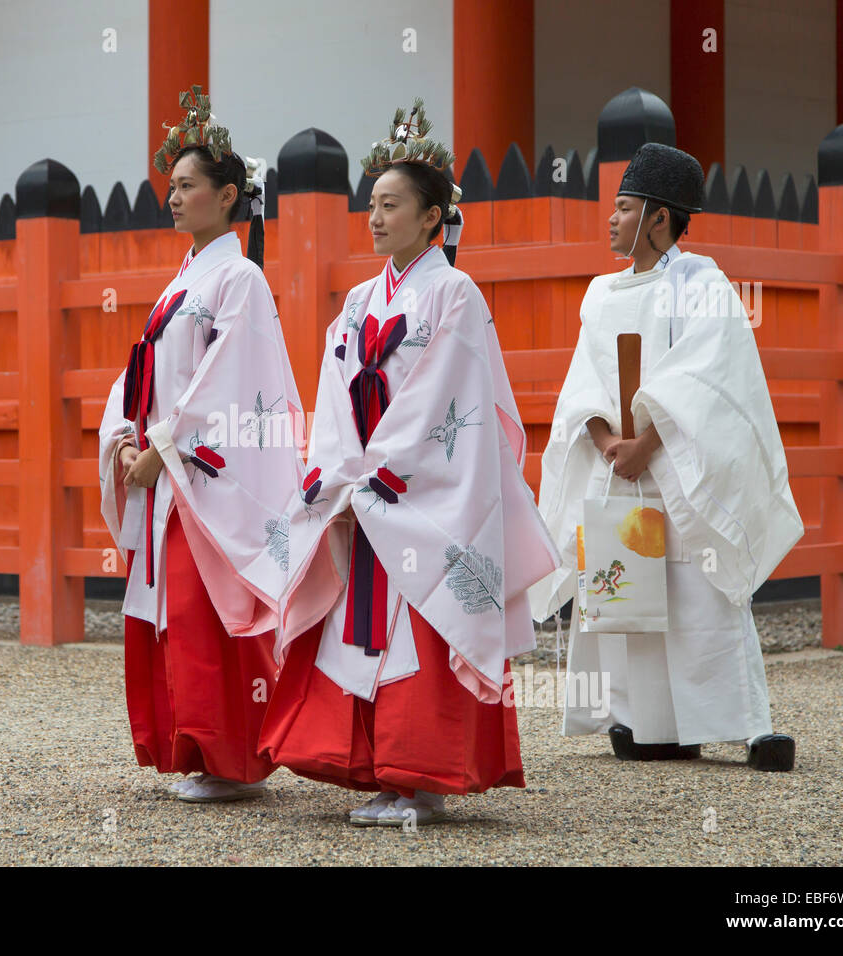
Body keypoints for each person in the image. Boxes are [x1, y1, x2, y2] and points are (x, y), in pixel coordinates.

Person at [257, 99, 559, 826]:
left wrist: (381, 474)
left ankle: (418, 773)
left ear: (432, 218)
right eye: (374, 204)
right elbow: (334, 388)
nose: (376, 217)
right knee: (361, 629)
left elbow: (447, 399)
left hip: (421, 492)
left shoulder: (454, 292)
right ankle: (375, 770)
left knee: (420, 618)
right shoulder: (359, 301)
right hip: (365, 487)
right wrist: (334, 471)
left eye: (393, 205)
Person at [527, 142, 804, 771]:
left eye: (623, 208)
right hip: (617, 468)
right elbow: (583, 385)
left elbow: (713, 378)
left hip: (678, 466)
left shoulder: (702, 284)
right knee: (623, 589)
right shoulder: (600, 293)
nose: (612, 220)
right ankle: (644, 720)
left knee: (699, 587)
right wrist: (607, 445)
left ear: (658, 217)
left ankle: (745, 724)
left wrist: (649, 443)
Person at [98, 86, 306, 802]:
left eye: (188, 186)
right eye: (173, 185)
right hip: (167, 468)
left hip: (206, 475)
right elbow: (145, 369)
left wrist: (163, 447)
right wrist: (125, 437)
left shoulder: (239, 277)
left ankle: (233, 758)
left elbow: (232, 380)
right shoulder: (183, 281)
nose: (175, 197)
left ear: (227, 197)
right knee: (171, 611)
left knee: (205, 607)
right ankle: (193, 748)